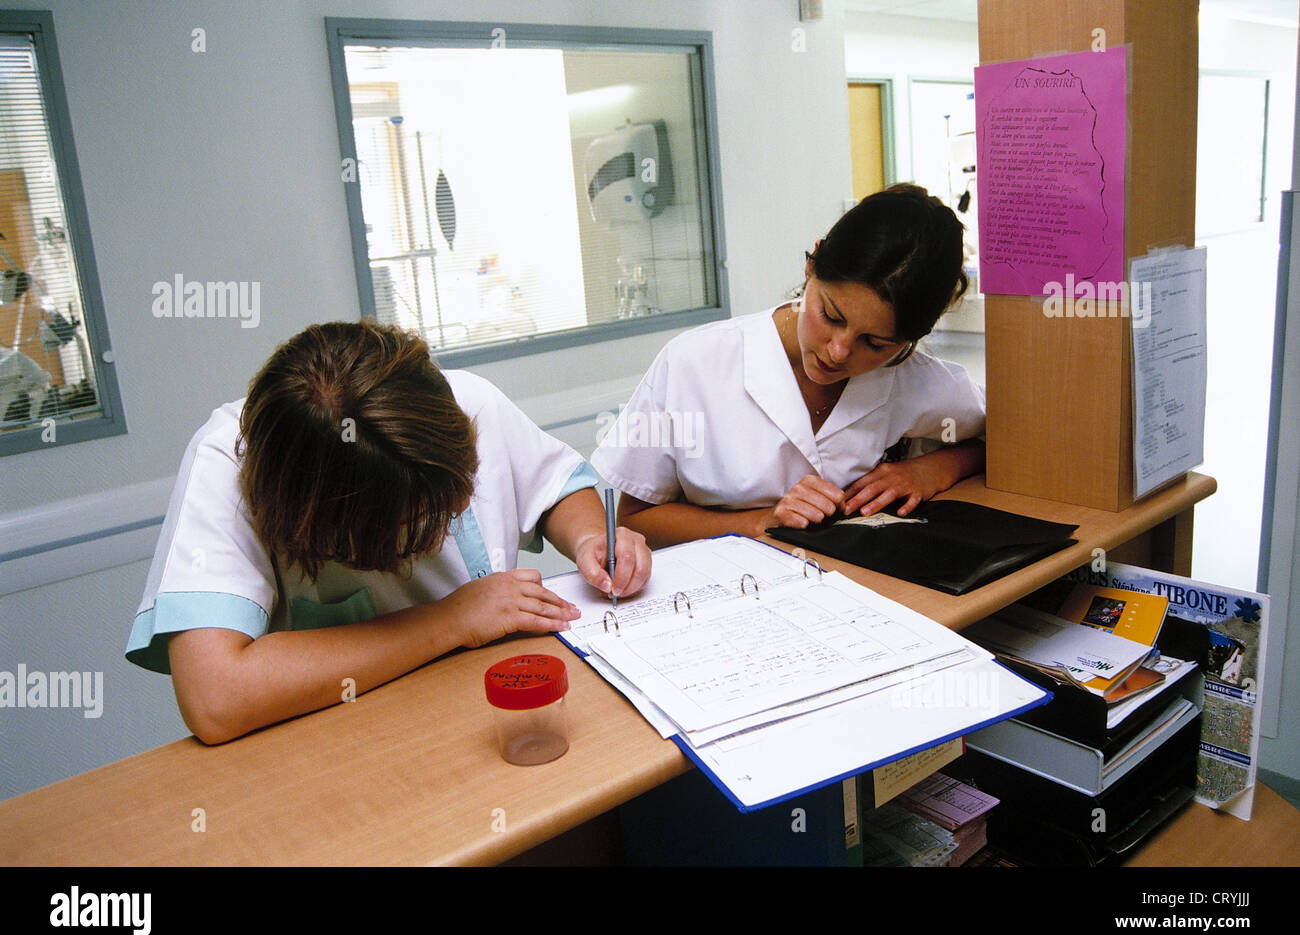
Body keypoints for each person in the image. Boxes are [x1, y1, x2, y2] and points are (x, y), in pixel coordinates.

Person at [127, 321, 650, 744]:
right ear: (326, 525)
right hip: (349, 742)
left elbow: (556, 487)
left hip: (497, 715)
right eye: (427, 514)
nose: (466, 504)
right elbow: (216, 699)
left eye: (465, 481)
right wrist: (451, 621)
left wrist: (588, 539)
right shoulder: (227, 466)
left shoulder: (456, 402)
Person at [591, 183, 985, 549]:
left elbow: (1004, 435)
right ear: (811, 265)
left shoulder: (910, 377)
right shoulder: (695, 363)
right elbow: (633, 521)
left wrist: (933, 470)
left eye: (875, 343)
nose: (839, 352)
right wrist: (759, 521)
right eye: (830, 315)